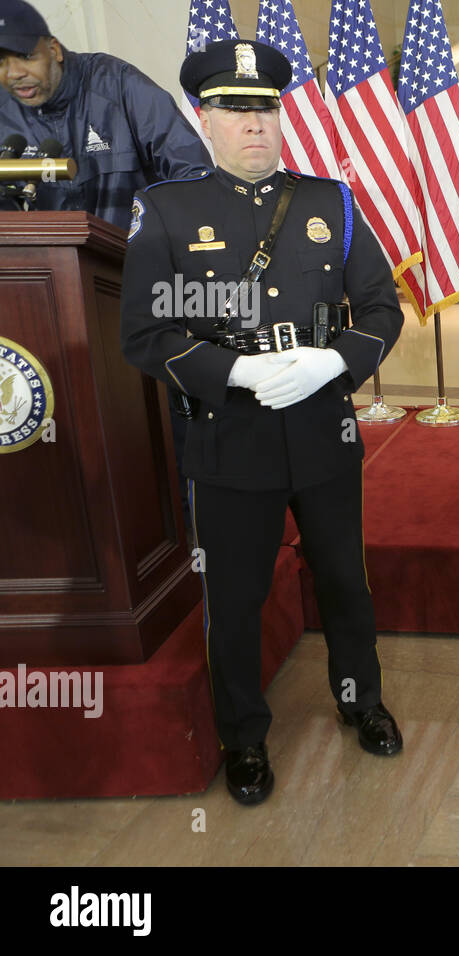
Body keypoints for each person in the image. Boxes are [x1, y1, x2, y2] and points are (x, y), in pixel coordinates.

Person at [119, 39, 405, 806]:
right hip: (228, 432)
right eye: (233, 109)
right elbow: (145, 333)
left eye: (265, 108)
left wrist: (334, 364)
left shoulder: (329, 203)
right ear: (202, 119)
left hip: (322, 425)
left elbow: (381, 306)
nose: (254, 123)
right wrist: (234, 370)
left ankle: (360, 699)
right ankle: (243, 737)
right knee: (237, 596)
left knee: (345, 579)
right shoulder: (169, 210)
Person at [0, 0, 210, 229]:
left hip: (135, 256)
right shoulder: (4, 112)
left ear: (54, 50)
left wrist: (164, 242)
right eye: (1, 62)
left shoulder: (117, 85)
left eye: (26, 56)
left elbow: (194, 174)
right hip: (52, 261)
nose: (14, 73)